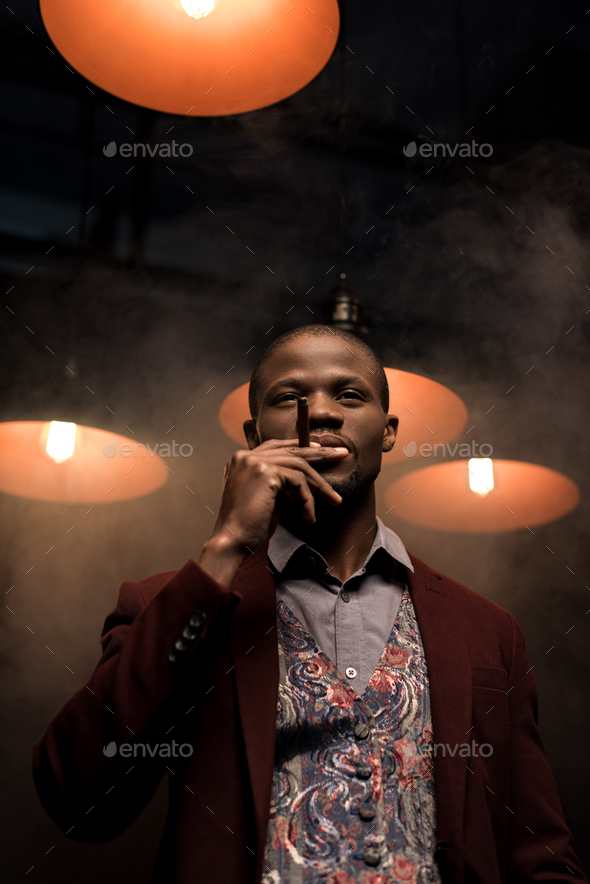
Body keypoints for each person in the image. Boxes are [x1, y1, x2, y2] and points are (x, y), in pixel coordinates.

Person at [33, 324, 586, 884]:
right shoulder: (168, 604)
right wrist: (224, 547)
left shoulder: (486, 630)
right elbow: (79, 796)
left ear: (389, 431)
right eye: (291, 397)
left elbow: (539, 855)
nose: (320, 413)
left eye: (349, 395)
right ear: (254, 436)